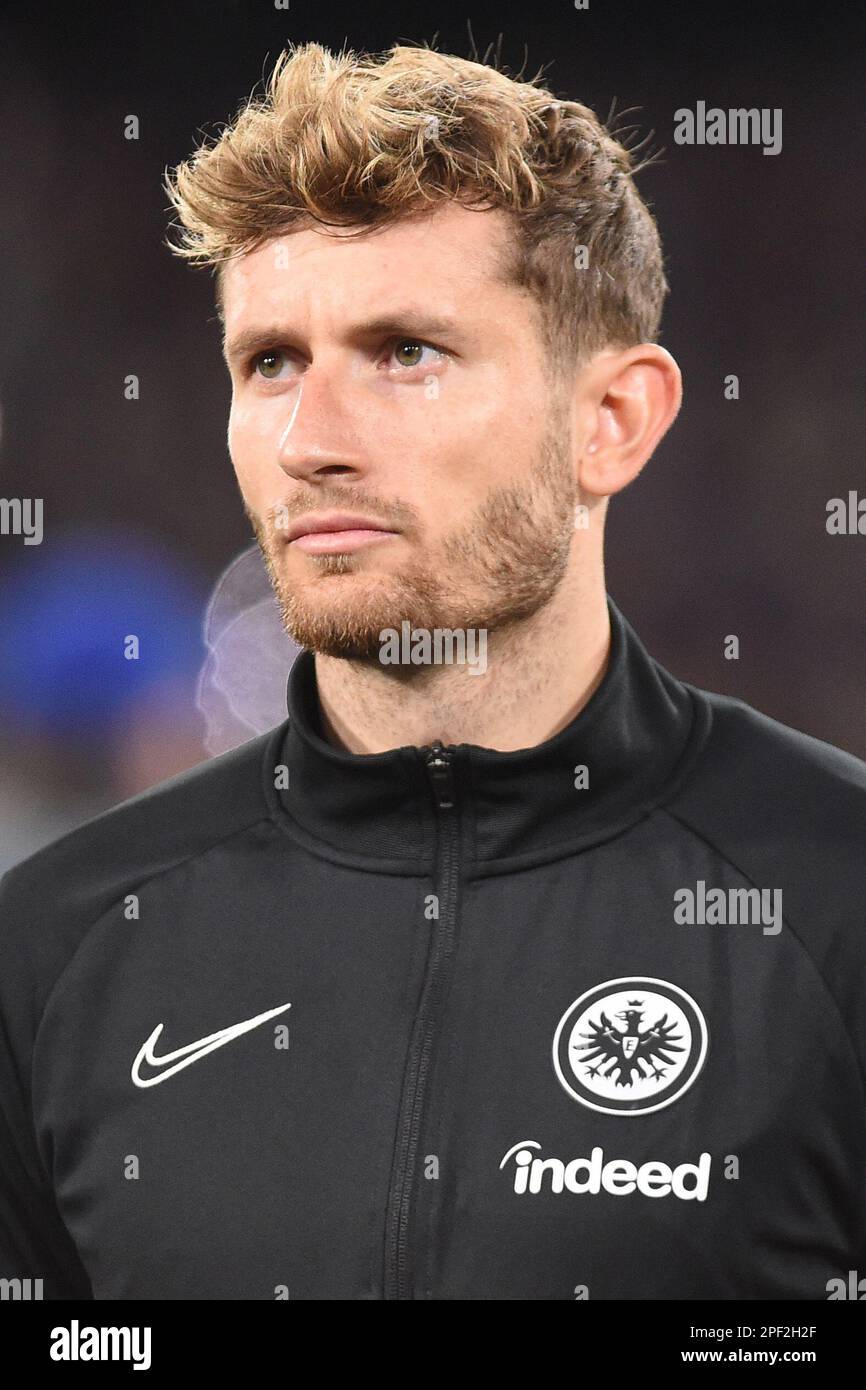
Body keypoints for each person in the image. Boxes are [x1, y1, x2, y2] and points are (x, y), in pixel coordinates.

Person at [1, 40, 864, 1302]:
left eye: (405, 351)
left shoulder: (834, 900)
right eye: (270, 362)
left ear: (610, 421)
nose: (308, 443)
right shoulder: (58, 946)